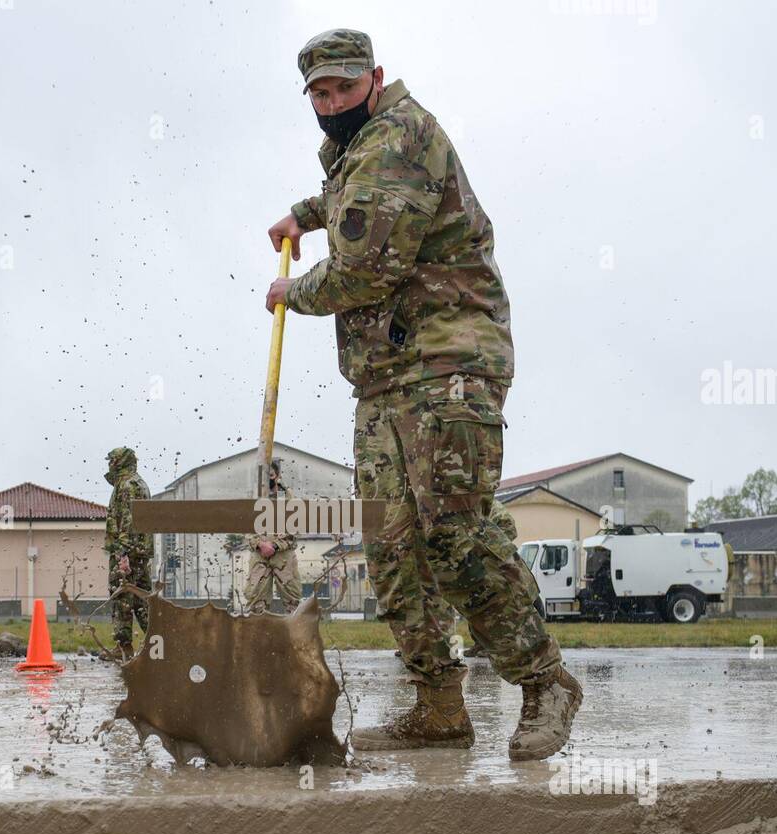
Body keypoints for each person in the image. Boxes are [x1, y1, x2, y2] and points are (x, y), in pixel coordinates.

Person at [264, 29, 582, 759]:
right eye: (318, 92)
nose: (331, 102)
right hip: (384, 381)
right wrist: (305, 213)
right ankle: (439, 706)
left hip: (446, 369)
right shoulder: (359, 150)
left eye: (343, 88)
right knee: (394, 549)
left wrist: (290, 291)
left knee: (455, 536)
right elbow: (350, 199)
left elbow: (366, 268)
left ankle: (545, 682)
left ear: (374, 79)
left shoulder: (397, 136)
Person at [104, 446, 151, 660]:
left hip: (127, 551)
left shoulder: (126, 485)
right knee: (143, 600)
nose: (108, 464)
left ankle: (124, 648)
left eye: (111, 460)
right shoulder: (139, 482)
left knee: (121, 597)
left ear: (119, 462)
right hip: (140, 552)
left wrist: (122, 554)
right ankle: (160, 640)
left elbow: (127, 520)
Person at [244, 460, 303, 614]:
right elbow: (246, 528)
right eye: (264, 476)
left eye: (270, 476)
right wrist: (259, 544)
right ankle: (258, 635)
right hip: (259, 554)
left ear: (277, 476)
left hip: (283, 554)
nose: (267, 480)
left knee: (293, 599)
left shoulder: (287, 497)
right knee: (255, 599)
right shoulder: (254, 496)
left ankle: (295, 635)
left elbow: (295, 529)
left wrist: (276, 545)